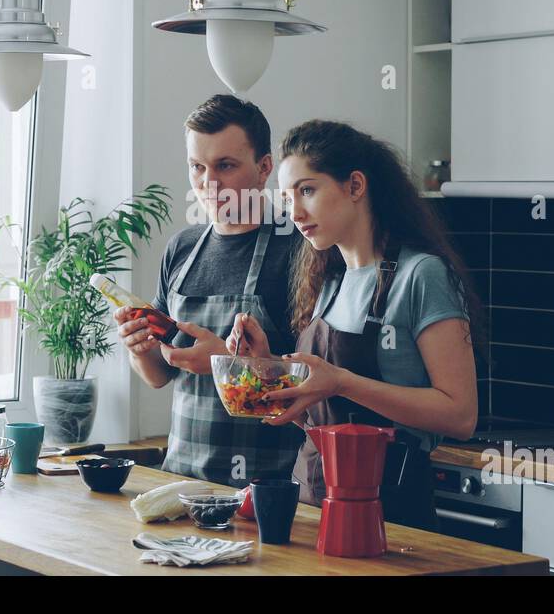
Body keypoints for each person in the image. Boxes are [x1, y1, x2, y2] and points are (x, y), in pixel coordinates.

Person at [227, 119, 483, 531]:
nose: (294, 212)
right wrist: (269, 372)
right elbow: (319, 417)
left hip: (389, 515)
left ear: (356, 186)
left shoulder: (421, 275)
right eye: (287, 197)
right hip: (311, 505)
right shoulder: (329, 281)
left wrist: (342, 381)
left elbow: (460, 414)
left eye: (307, 190)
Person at [114, 95, 305, 487]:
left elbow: (314, 382)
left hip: (267, 489)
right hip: (183, 481)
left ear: (264, 167)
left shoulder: (299, 249)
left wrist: (224, 362)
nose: (208, 183)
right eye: (197, 167)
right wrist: (141, 348)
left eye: (226, 166)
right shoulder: (182, 248)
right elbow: (159, 377)